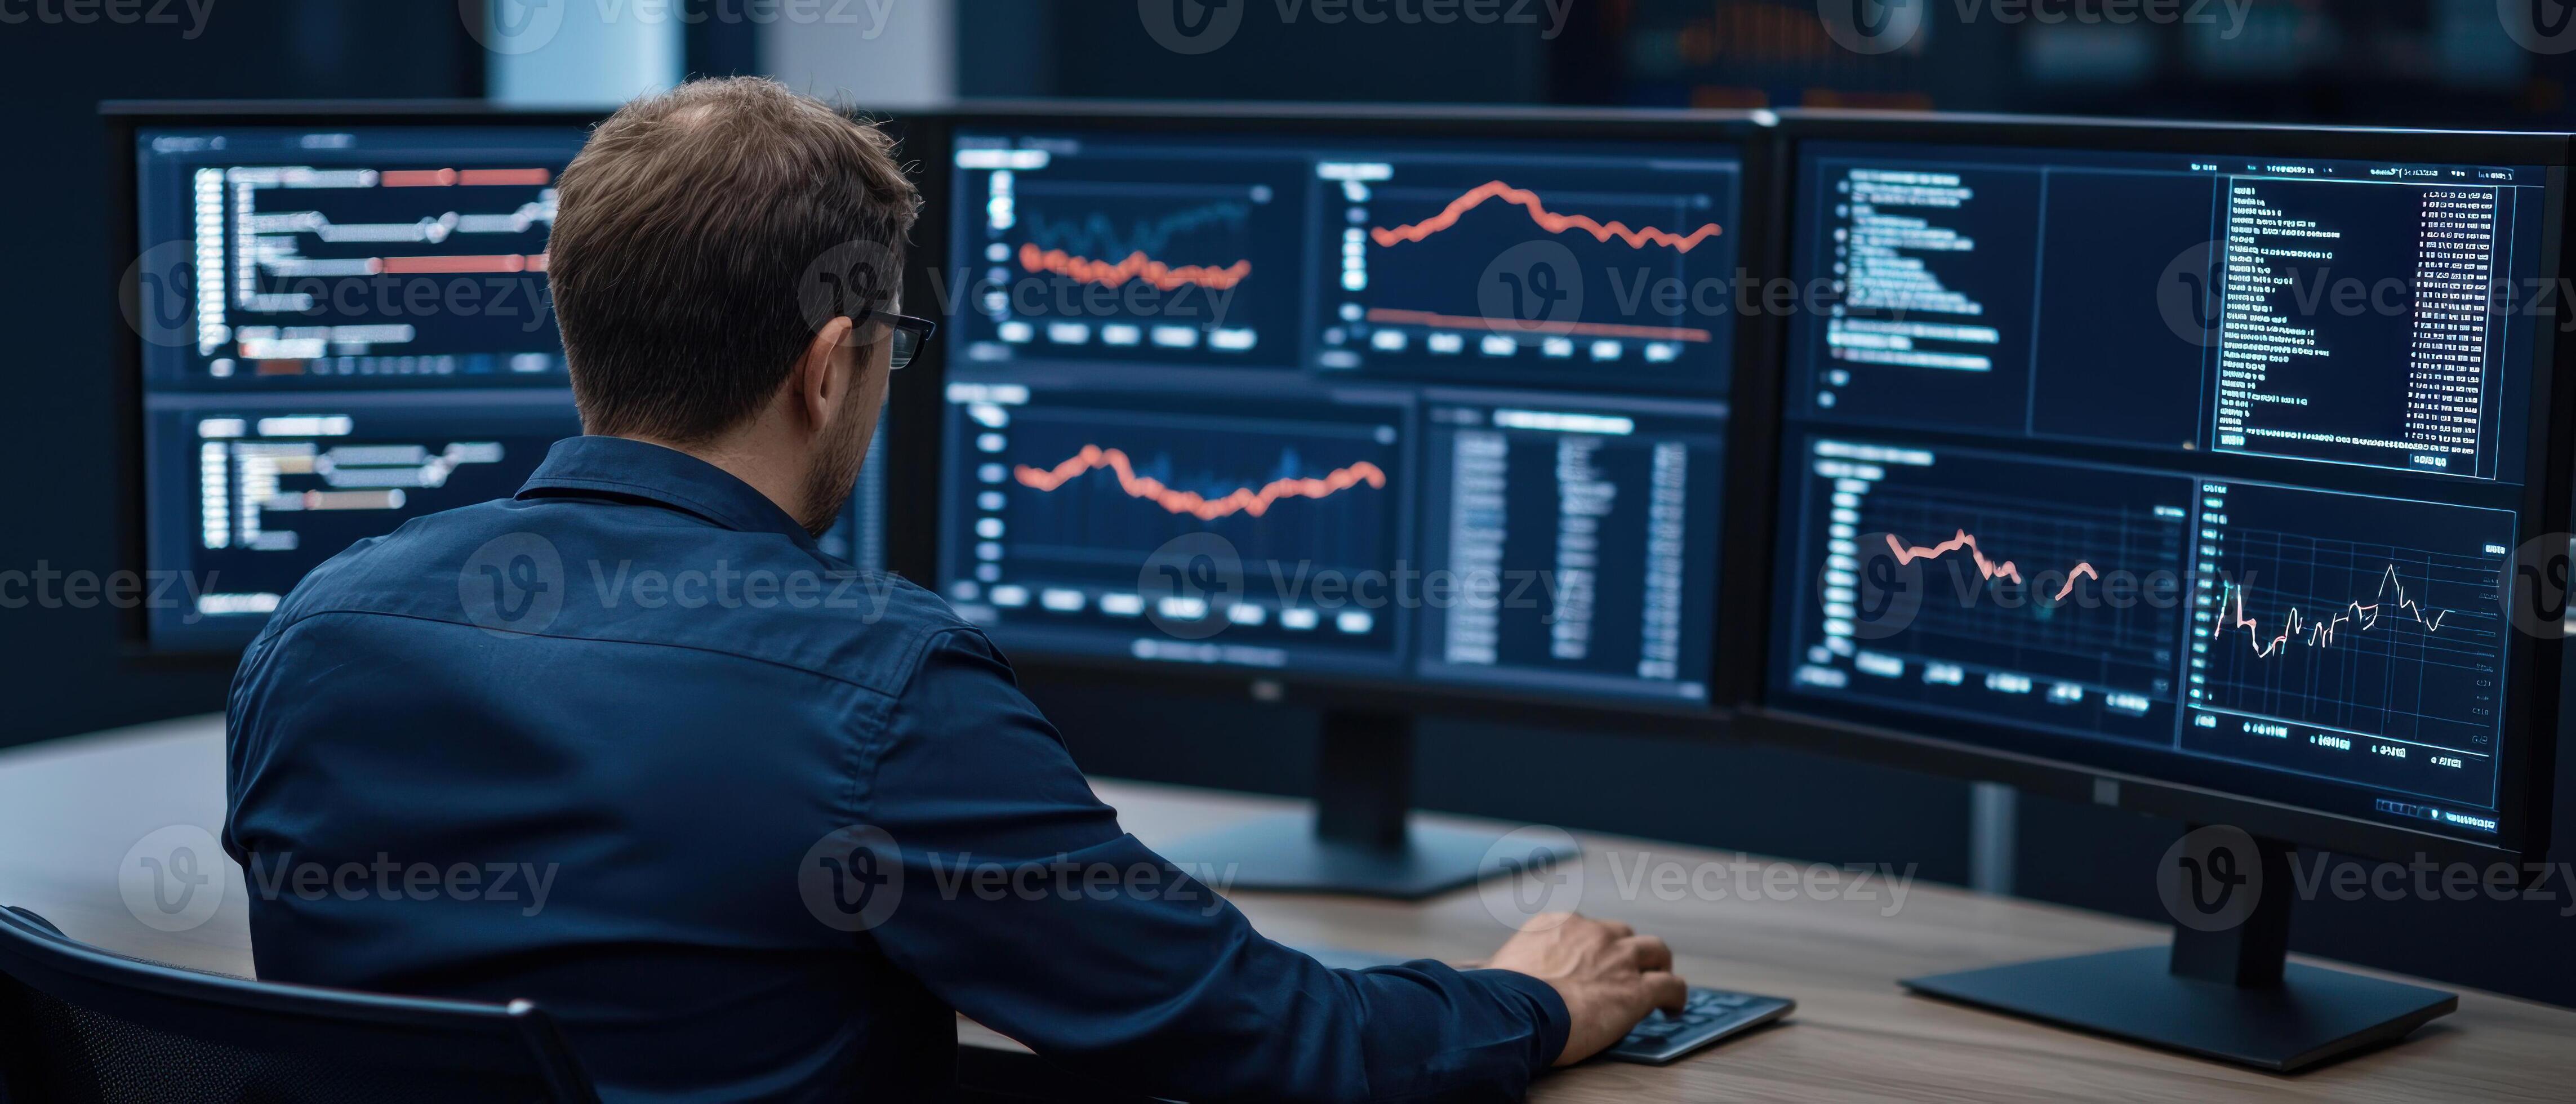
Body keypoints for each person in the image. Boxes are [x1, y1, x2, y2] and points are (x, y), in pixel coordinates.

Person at [224, 77, 1685, 1102]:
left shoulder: (317, 635)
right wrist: (1534, 996)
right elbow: (1276, 1043)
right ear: (827, 366)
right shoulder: (877, 693)